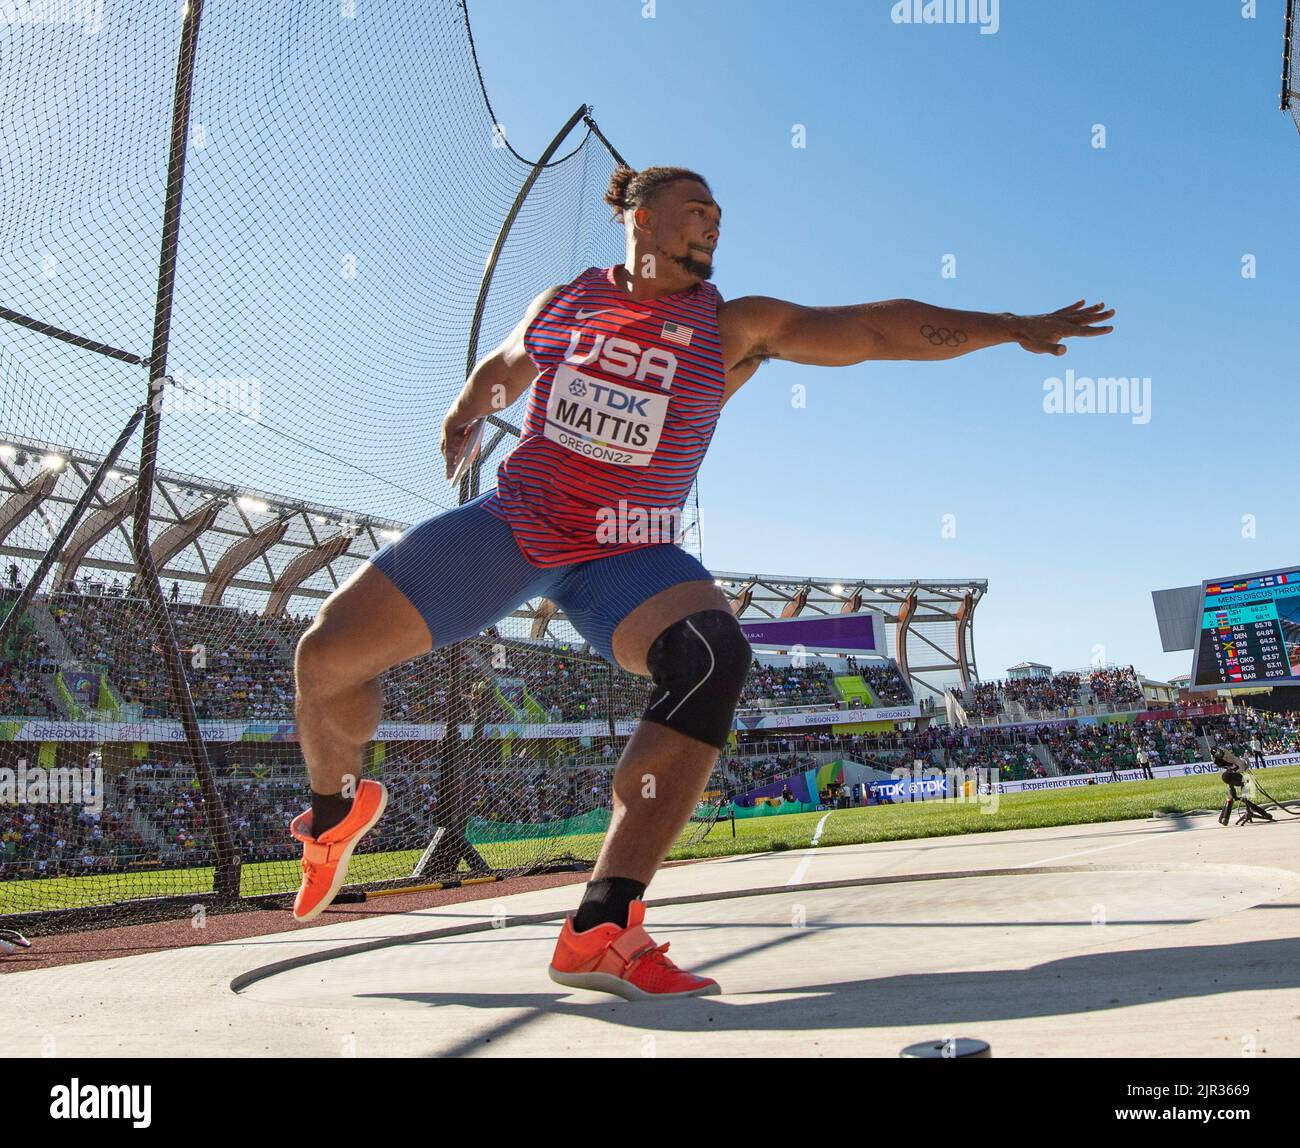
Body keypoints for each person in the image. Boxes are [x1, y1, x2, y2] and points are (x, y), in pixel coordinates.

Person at [288, 164, 1115, 999]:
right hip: (514, 526)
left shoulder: (731, 325)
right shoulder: (567, 299)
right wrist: (463, 412)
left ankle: (601, 926)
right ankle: (334, 815)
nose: (713, 224)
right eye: (696, 210)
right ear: (640, 219)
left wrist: (1009, 325)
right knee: (324, 660)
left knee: (711, 654)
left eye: (719, 214)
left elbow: (870, 328)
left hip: (630, 551)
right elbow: (507, 366)